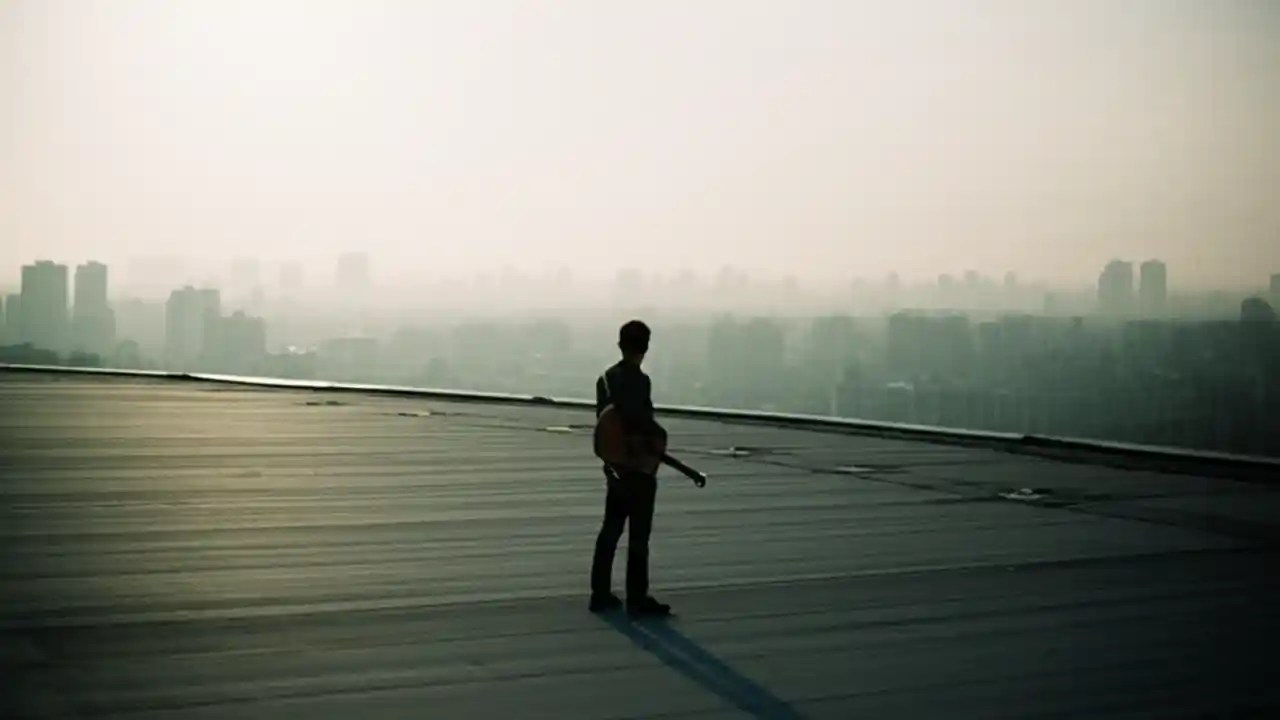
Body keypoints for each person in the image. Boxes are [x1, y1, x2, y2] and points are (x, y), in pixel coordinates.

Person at [589, 319, 671, 617]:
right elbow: (644, 424)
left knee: (610, 529)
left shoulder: (606, 379)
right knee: (638, 536)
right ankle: (636, 598)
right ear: (645, 347)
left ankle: (599, 592)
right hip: (639, 469)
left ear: (620, 344)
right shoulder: (640, 381)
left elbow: (604, 424)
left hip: (615, 467)